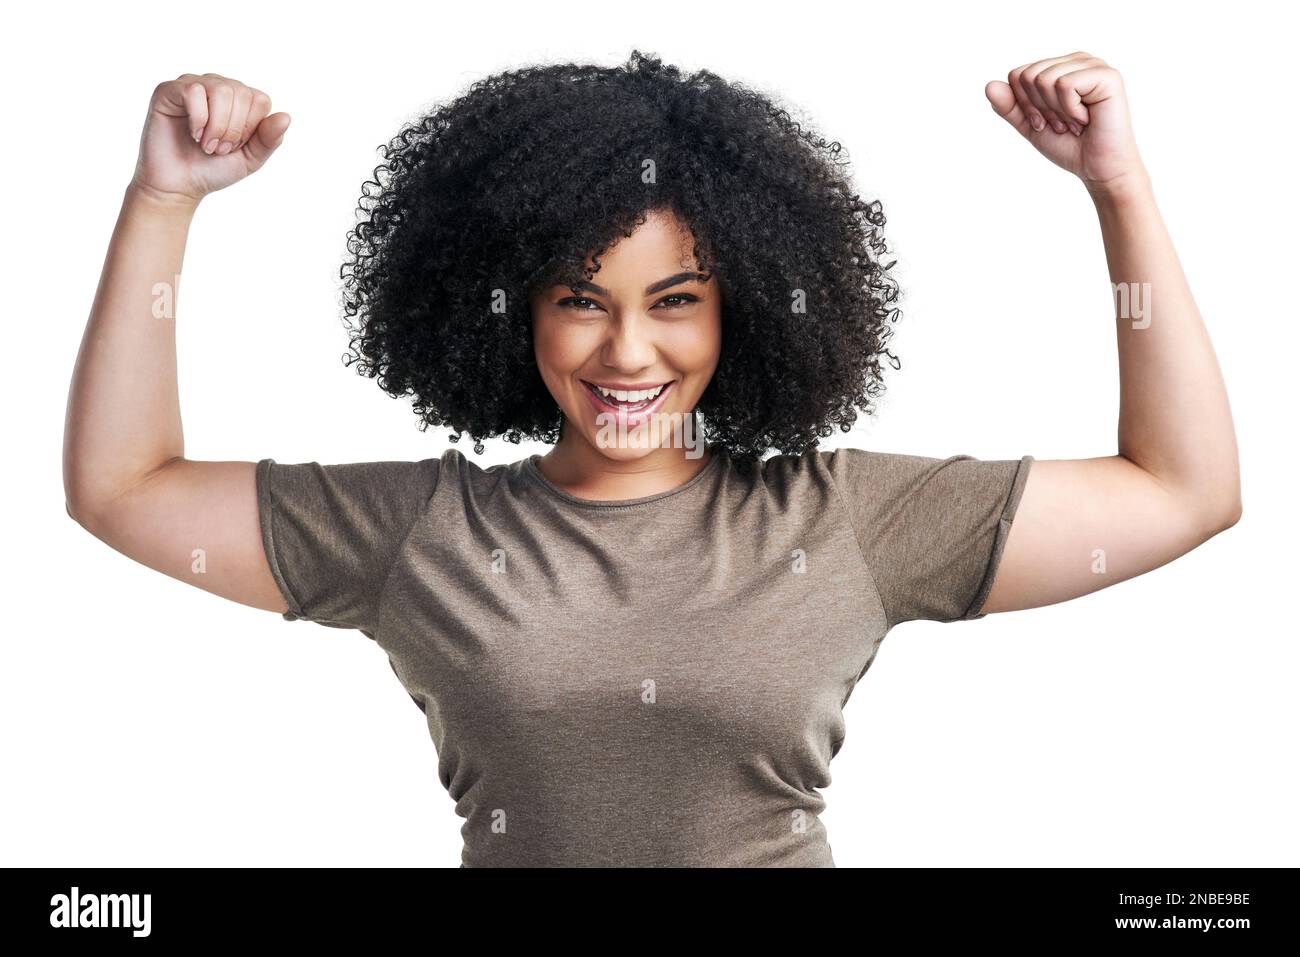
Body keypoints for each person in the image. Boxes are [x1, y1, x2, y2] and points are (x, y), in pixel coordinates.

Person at [63, 51, 1241, 867]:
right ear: (515, 314)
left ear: (742, 315)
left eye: (674, 300)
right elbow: (124, 490)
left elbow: (1181, 493)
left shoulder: (842, 520)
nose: (627, 350)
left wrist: (1116, 185)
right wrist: (163, 200)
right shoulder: (419, 532)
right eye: (581, 300)